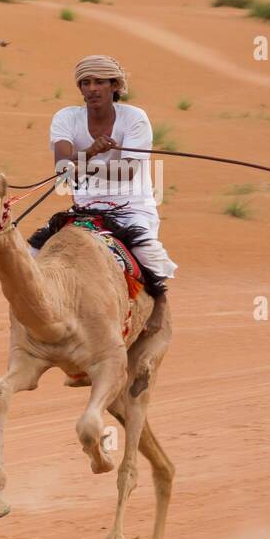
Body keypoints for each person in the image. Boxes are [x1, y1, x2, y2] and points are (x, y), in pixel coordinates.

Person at [46, 54, 176, 336]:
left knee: (146, 250)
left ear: (114, 85)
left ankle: (160, 302)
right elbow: (61, 166)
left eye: (100, 82)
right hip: (84, 208)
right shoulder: (66, 118)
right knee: (37, 253)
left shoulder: (135, 119)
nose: (92, 88)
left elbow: (127, 171)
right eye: (86, 82)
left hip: (131, 206)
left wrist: (80, 166)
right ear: (80, 88)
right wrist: (91, 151)